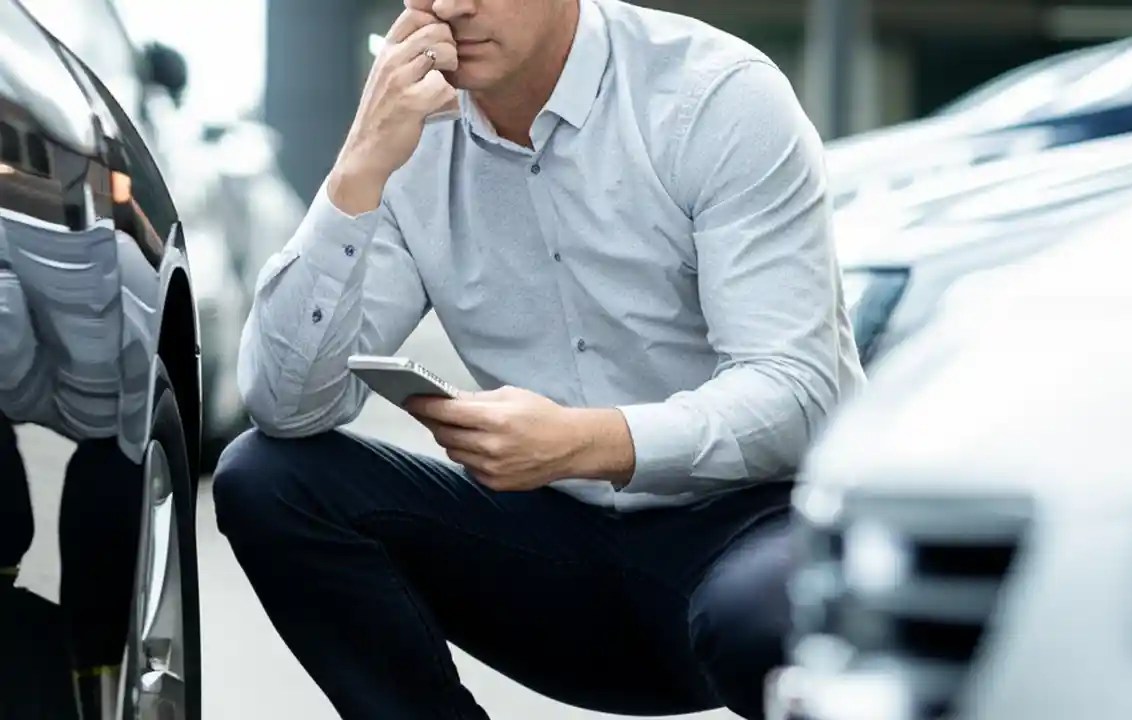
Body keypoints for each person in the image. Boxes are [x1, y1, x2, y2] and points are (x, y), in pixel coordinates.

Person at [212, 0, 863, 718]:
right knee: (266, 477)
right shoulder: (410, 132)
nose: (454, 5)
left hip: (747, 530)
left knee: (762, 616)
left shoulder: (715, 95)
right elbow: (285, 401)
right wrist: (359, 166)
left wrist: (586, 443)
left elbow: (800, 394)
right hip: (556, 551)